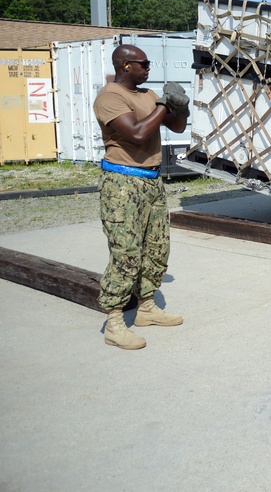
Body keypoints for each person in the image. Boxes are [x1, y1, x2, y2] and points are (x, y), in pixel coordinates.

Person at [93, 44, 189, 350]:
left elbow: (175, 125)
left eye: (149, 64)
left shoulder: (147, 96)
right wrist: (163, 105)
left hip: (151, 182)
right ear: (125, 67)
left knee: (156, 248)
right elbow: (136, 133)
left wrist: (181, 107)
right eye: (143, 64)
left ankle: (146, 307)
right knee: (126, 253)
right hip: (122, 183)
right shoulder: (110, 96)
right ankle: (115, 323)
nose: (148, 68)